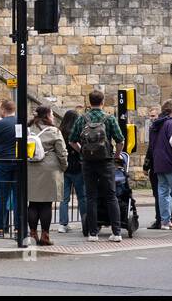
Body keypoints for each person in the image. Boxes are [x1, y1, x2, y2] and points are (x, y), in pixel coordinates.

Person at [69, 89, 126, 242]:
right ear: (103, 102)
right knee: (111, 196)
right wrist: (115, 155)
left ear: (89, 102)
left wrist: (82, 152)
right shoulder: (109, 118)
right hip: (106, 161)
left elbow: (72, 140)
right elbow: (120, 140)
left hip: (88, 162)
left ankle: (93, 234)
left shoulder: (82, 119)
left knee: (91, 197)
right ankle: (117, 232)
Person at [27, 105, 68, 246]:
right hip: (49, 169)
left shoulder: (28, 129)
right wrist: (64, 166)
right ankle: (45, 235)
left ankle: (32, 234)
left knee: (32, 203)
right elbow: (62, 152)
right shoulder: (54, 131)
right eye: (51, 114)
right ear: (47, 115)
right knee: (46, 204)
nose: (53, 117)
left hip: (30, 168)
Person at [147, 100, 172, 230]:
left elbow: (151, 146)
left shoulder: (154, 125)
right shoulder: (171, 123)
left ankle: (165, 222)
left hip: (158, 163)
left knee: (162, 193)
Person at [0, 99, 18, 238]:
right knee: (18, 196)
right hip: (18, 162)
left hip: (2, 161)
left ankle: (0, 229)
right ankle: (19, 228)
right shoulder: (20, 122)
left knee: (1, 196)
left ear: (3, 110)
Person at [57, 109, 85, 233]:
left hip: (64, 167)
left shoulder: (60, 132)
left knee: (64, 198)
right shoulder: (78, 132)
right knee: (82, 197)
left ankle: (63, 224)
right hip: (78, 167)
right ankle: (86, 222)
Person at [141, 105, 161, 227]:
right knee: (160, 194)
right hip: (155, 166)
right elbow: (150, 149)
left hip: (157, 166)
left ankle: (161, 219)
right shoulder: (154, 127)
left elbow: (151, 149)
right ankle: (162, 219)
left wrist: (146, 166)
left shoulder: (156, 128)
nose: (151, 118)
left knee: (160, 194)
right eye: (150, 116)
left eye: (153, 116)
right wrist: (145, 166)